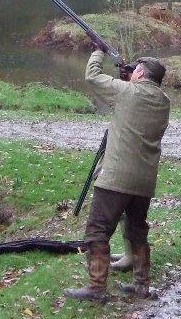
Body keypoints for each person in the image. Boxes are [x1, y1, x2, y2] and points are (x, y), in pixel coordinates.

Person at [65, 49, 170, 301]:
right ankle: (141, 286)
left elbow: (92, 77)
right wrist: (127, 77)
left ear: (141, 73)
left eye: (134, 70)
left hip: (116, 178)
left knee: (98, 230)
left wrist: (97, 53)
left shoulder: (127, 92)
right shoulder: (163, 101)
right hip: (144, 181)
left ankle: (96, 287)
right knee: (137, 232)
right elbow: (135, 100)